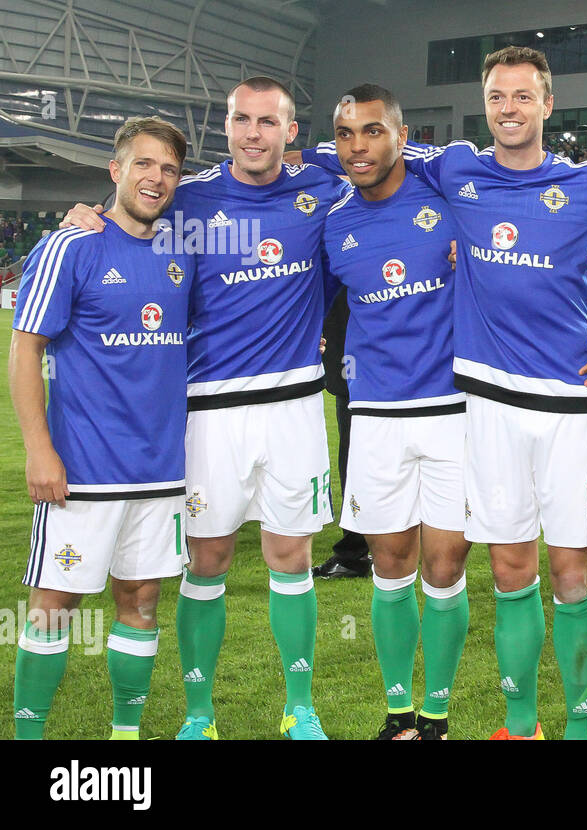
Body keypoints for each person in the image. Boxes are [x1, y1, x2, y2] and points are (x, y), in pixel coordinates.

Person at [298, 47, 587, 740]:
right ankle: (413, 716)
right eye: (497, 97)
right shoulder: (395, 191)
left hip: (486, 406)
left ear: (546, 104)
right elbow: (320, 153)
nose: (509, 108)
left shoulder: (556, 182)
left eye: (522, 97)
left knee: (534, 568)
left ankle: (529, 724)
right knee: (415, 565)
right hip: (403, 410)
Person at [63, 77, 349, 740]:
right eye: (242, 120)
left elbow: (383, 176)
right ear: (227, 126)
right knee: (208, 559)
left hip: (295, 405)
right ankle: (199, 715)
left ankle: (299, 707)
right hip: (208, 411)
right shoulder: (187, 201)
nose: (253, 133)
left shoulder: (324, 195)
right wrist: (87, 213)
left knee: (291, 556)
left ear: (289, 132)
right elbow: (123, 220)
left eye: (267, 122)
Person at [11, 117, 194, 739]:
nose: (156, 178)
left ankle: (125, 738)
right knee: (54, 608)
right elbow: (25, 350)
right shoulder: (71, 246)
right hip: (83, 469)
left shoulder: (182, 250)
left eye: (169, 170)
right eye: (143, 164)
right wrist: (40, 450)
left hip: (161, 470)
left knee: (140, 603)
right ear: (115, 171)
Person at [318, 84, 469, 740]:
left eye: (373, 131)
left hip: (453, 409)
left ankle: (436, 713)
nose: (359, 145)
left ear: (401, 137)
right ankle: (399, 712)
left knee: (446, 566)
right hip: (375, 414)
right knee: (390, 564)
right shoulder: (334, 221)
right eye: (347, 133)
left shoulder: (450, 200)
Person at [314, 292, 373, 580]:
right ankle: (357, 549)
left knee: (357, 459)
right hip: (351, 371)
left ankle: (356, 553)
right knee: (353, 457)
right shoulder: (338, 249)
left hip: (366, 371)